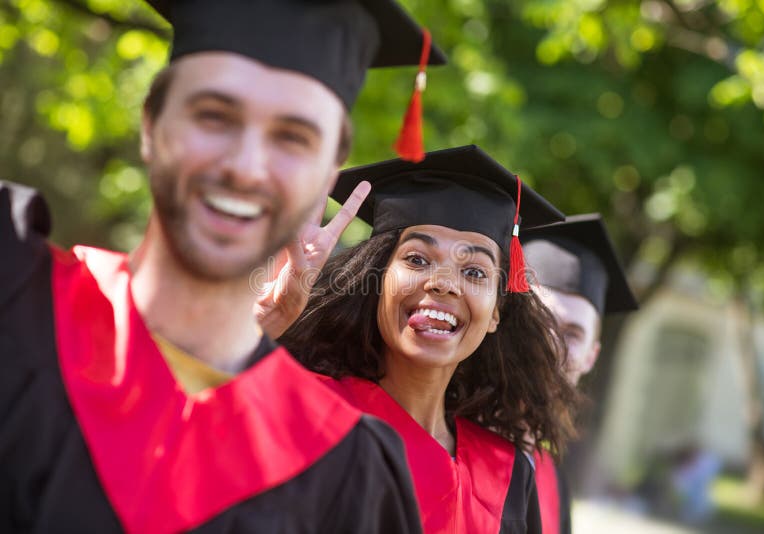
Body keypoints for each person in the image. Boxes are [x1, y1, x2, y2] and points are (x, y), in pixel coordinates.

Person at [0, 1, 447, 532]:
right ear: (151, 124)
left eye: (292, 138)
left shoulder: (347, 477)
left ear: (329, 174)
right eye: (214, 116)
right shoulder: (14, 303)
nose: (245, 166)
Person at [278, 145, 580, 533]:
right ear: (378, 282)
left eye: (474, 272)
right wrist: (264, 322)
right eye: (417, 259)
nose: (444, 283)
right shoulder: (306, 411)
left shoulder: (508, 475)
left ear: (496, 314)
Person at [520, 213, 639, 534]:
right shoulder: (448, 444)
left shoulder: (552, 481)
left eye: (572, 333)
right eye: (539, 321)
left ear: (591, 357)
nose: (552, 343)